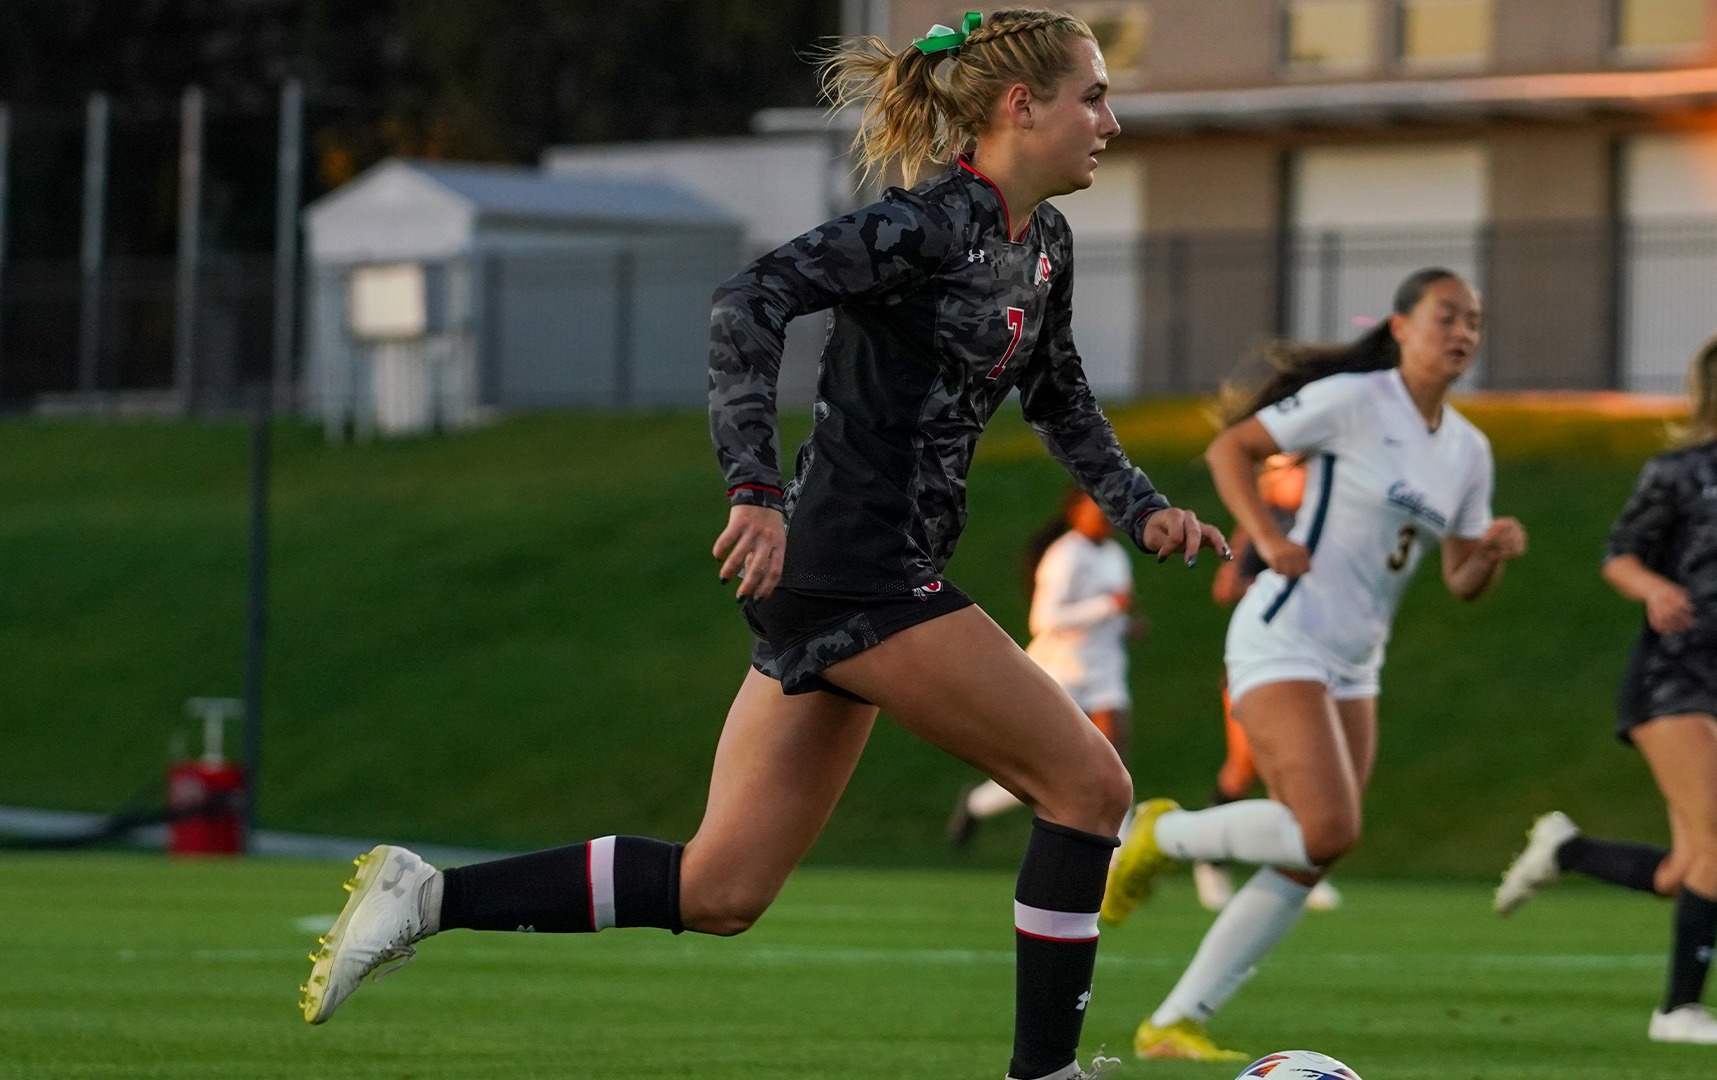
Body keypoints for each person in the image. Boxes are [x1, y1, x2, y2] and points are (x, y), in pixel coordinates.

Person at [296, 11, 1228, 1080]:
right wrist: (753, 486)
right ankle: (1044, 1076)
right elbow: (750, 299)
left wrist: (1141, 506)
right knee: (1092, 790)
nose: (1111, 118)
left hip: (848, 582)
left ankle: (428, 897)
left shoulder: (1042, 247)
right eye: (1094, 95)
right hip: (858, 571)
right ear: (1022, 107)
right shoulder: (923, 228)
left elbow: (1059, 398)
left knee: (720, 891)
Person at [1098, 267, 1528, 1062]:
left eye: (1473, 320)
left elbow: (1462, 581)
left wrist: (1493, 552)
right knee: (1328, 824)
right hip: (1284, 633)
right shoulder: (1359, 400)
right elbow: (1233, 447)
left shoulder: (1470, 450)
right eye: (1446, 317)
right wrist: (1264, 535)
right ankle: (1166, 834)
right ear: (1401, 327)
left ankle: (1173, 1023)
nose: (1462, 332)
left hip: (1357, 659)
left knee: (1319, 845)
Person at [1493, 321, 1717, 1046]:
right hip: (1673, 672)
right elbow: (1619, 555)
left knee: (1693, 867)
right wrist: (1653, 590)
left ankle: (1567, 851)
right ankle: (1678, 1013)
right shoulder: (1681, 473)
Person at [950, 487, 1136, 847]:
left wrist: (1126, 623)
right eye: (1099, 509)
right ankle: (978, 803)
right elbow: (1044, 619)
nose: (1108, 516)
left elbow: (1117, 608)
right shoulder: (1064, 556)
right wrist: (1105, 606)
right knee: (1045, 770)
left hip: (1105, 669)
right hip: (1061, 671)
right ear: (1076, 512)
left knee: (1115, 762)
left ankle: (1117, 860)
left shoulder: (1115, 555)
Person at [1193, 458, 1339, 914]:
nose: (1305, 478)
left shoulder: (1318, 520)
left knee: (1298, 770)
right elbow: (1226, 587)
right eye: (1296, 471)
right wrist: (1277, 577)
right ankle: (1207, 859)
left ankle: (1298, 868)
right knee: (1244, 768)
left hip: (1306, 662)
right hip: (1257, 663)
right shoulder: (1262, 524)